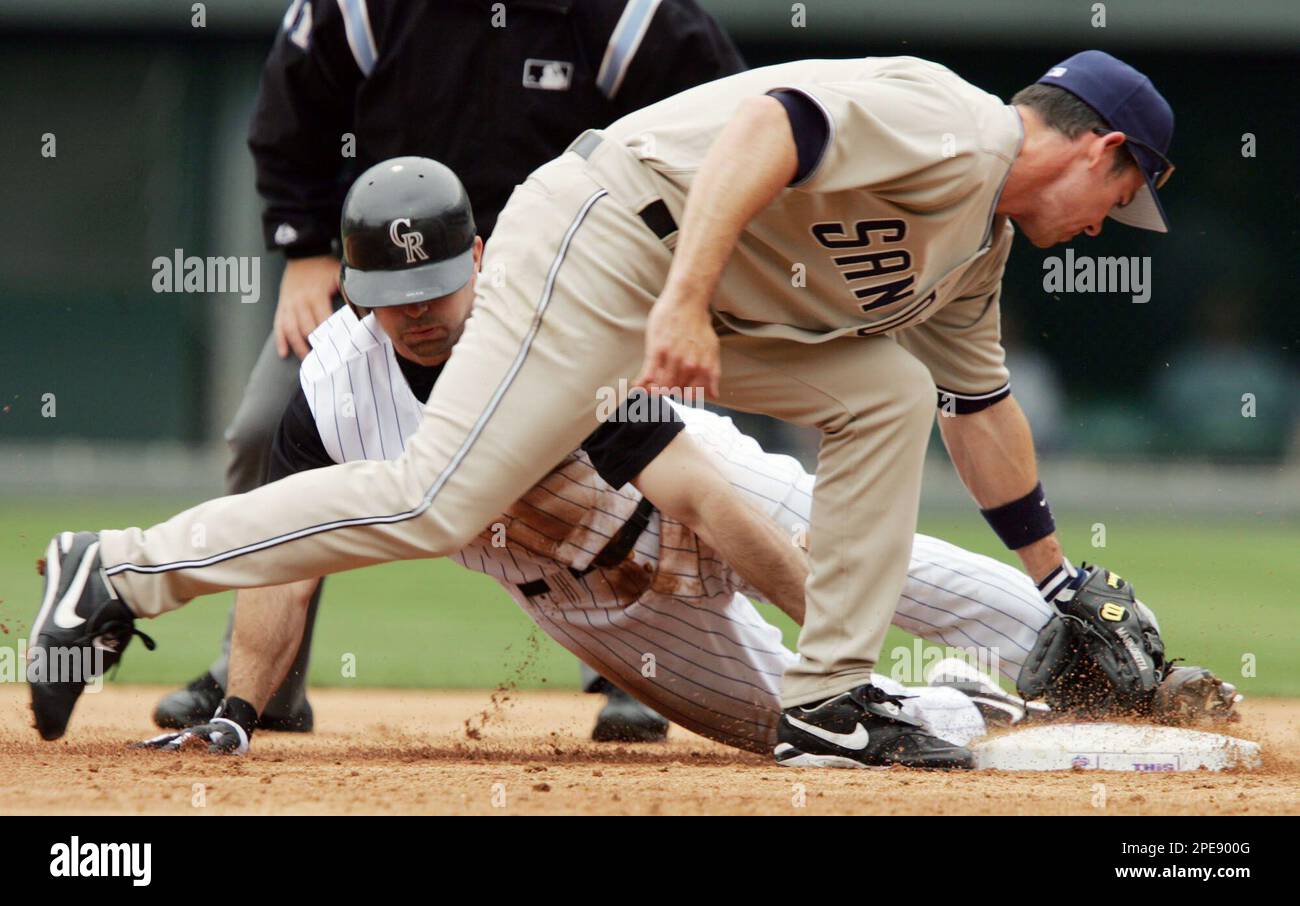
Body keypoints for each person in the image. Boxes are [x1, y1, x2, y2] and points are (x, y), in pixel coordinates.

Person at [29, 50, 1183, 768]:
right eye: (1119, 199)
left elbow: (975, 404)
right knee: (442, 497)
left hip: (691, 308)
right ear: (1104, 148)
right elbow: (769, 125)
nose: (1103, 225)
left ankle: (831, 694)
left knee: (885, 387)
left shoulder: (974, 250)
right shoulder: (959, 127)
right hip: (608, 239)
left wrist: (1051, 576)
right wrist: (680, 299)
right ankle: (121, 571)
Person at [182, 0, 747, 741]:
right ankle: (259, 681)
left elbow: (735, 130)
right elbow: (295, 103)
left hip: (577, 292)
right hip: (386, 288)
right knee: (264, 423)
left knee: (642, 435)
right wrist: (302, 246)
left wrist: (681, 280)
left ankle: (630, 668)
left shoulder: (627, 14)